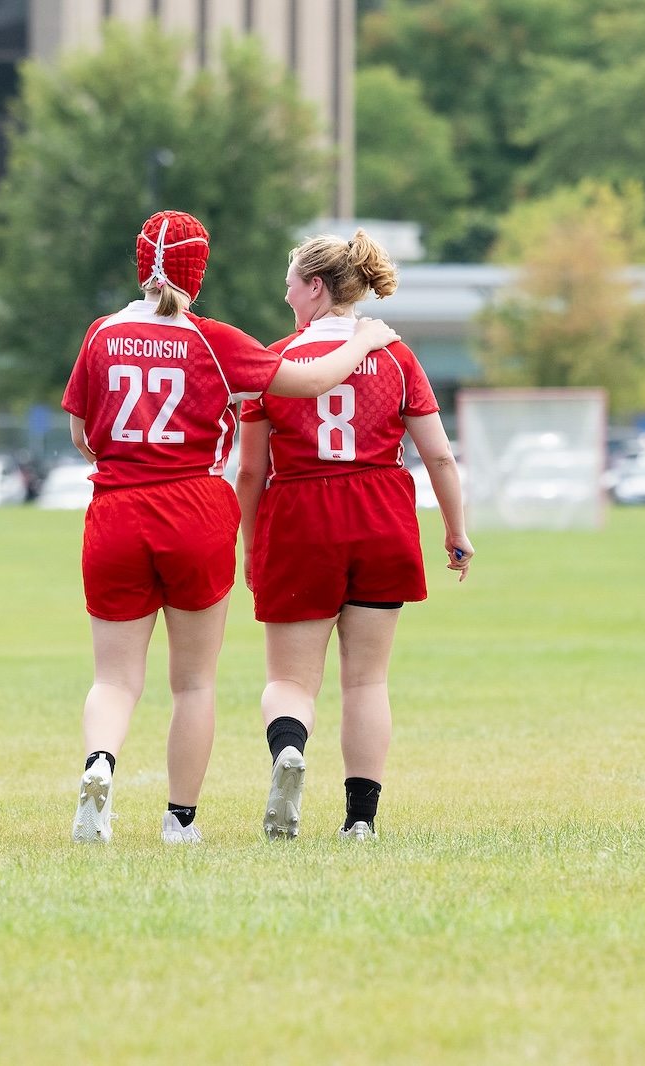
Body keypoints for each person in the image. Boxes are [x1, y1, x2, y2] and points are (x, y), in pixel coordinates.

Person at [61, 210, 401, 845]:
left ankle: (100, 766)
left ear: (141, 263)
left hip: (115, 508)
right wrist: (365, 341)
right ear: (199, 268)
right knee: (193, 682)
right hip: (194, 508)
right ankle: (179, 820)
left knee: (113, 678)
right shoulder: (215, 338)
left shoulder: (101, 334)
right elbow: (314, 379)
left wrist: (124, 466)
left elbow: (81, 432)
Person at [234, 230, 472, 842]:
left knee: (290, 682)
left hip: (301, 516)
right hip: (380, 515)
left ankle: (289, 750)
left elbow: (253, 469)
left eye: (290, 281)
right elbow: (440, 458)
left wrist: (250, 543)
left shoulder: (277, 357)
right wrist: (455, 530)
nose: (285, 292)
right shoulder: (394, 355)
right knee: (367, 681)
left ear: (315, 287)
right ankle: (360, 822)